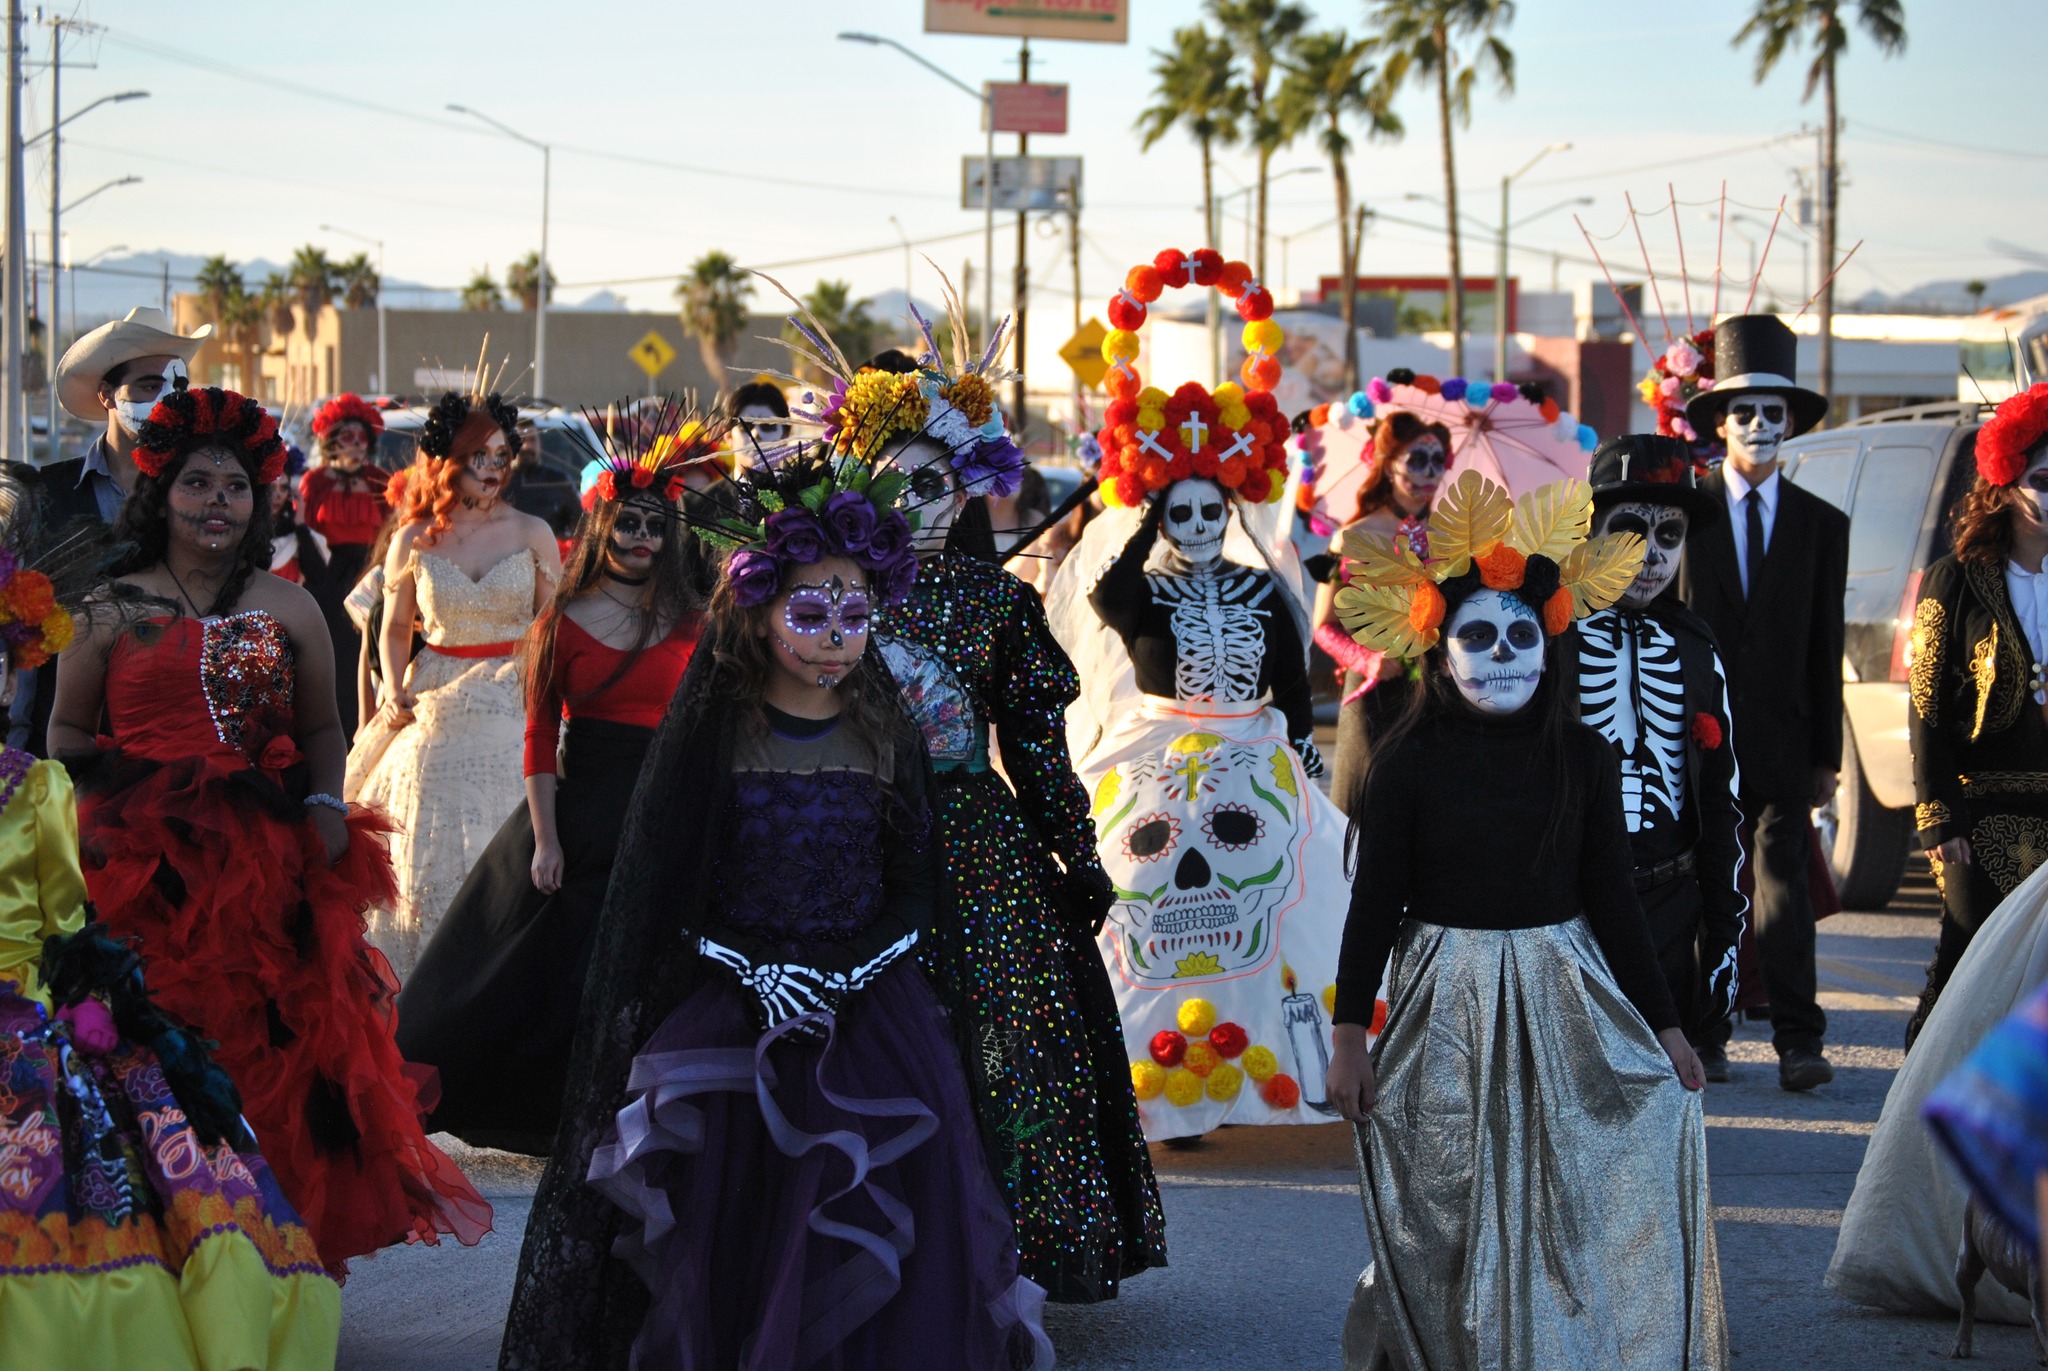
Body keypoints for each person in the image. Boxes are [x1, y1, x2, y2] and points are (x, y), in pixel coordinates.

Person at [498, 447, 1051, 1371]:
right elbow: (667, 891)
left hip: (874, 1021)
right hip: (732, 1021)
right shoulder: (717, 737)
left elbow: (917, 889)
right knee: (737, 1227)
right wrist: (762, 971)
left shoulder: (887, 734)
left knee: (877, 1230)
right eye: (810, 610)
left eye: (856, 614)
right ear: (757, 613)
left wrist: (844, 973)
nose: (836, 635)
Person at [48, 385, 491, 1273]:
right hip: (136, 873)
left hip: (266, 874)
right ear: (159, 494)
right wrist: (108, 799)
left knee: (273, 1064)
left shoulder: (289, 607)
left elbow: (325, 729)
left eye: (237, 486)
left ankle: (259, 1262)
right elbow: (61, 732)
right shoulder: (107, 608)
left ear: (261, 499)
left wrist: (326, 803)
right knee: (145, 1055)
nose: (218, 502)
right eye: (197, 484)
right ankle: (155, 1257)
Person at [1327, 470, 1726, 1370]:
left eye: (1519, 634)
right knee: (1446, 1198)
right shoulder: (1408, 762)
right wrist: (1350, 1032)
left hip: (1563, 993)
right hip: (1444, 1003)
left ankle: (1559, 1345)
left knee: (1564, 1194)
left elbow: (1614, 898)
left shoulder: (1581, 756)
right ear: (1440, 647)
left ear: (1549, 644)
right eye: (1477, 634)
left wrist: (1666, 1025)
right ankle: (1435, 1341)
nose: (1500, 652)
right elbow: (1373, 904)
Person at [817, 303, 1167, 1300]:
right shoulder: (828, 594)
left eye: (942, 485)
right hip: (851, 845)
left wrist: (1077, 852)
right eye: (901, 483)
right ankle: (868, 1255)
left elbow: (1039, 750)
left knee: (1006, 1047)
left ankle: (999, 1258)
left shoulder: (997, 603)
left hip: (976, 848)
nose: (922, 505)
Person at [394, 403, 715, 1154]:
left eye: (653, 526)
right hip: (581, 810)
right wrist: (543, 838)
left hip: (663, 807)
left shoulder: (693, 621)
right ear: (603, 527)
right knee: (524, 975)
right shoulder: (562, 620)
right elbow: (541, 735)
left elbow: (706, 727)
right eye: (628, 523)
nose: (640, 538)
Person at [1046, 362, 1350, 1140]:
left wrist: (1308, 772)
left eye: (1211, 509)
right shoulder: (1142, 591)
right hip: (1156, 754)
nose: (1199, 525)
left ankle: (1274, 1065)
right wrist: (1150, 509)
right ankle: (1156, 1074)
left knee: (1296, 889)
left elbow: (1288, 686)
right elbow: (1106, 593)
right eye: (1181, 512)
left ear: (1231, 508)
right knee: (1134, 884)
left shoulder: (1259, 593)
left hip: (1254, 748)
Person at [1679, 312, 1848, 1093]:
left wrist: (1826, 758)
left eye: (1773, 412)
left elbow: (1826, 640)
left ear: (1791, 424)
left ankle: (1798, 1040)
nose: (1759, 425)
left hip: (1783, 739)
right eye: (1743, 411)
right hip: (1700, 737)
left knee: (1783, 889)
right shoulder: (1684, 515)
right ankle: (1707, 1034)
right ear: (1720, 423)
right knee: (1709, 885)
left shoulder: (1822, 526)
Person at [345, 388, 561, 977]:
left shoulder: (533, 531)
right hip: (433, 682)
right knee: (418, 791)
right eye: (478, 457)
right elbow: (392, 631)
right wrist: (392, 687)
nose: (492, 471)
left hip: (515, 683)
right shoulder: (414, 539)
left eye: (501, 456)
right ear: (446, 460)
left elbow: (554, 628)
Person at [1565, 434, 1747, 1081]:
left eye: (1668, 535)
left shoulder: (1696, 644)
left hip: (1671, 901)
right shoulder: (1550, 633)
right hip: (1570, 907)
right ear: (1587, 533)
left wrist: (1725, 930)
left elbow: (1722, 797)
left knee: (1662, 1093)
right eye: (1628, 532)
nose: (1650, 556)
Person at [1904, 381, 2048, 1043]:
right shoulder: (1957, 581)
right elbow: (1927, 706)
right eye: (2044, 477)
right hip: (1982, 811)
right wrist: (1939, 814)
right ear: (2009, 484)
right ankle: (1918, 1107)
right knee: (1968, 964)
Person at [23, 306, 213, 756]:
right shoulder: (48, 493)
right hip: (63, 737)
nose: (168, 398)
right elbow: (23, 640)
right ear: (107, 395)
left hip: (174, 745)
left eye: (178, 386)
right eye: (150, 384)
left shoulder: (204, 493)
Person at [1310, 404, 1451, 809]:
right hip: (1374, 692)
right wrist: (1368, 659)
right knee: (1364, 814)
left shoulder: (1452, 537)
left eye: (1438, 461)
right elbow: (1323, 626)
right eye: (1418, 460)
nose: (1429, 472)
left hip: (1438, 694)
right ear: (1389, 466)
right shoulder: (1354, 536)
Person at [301, 393, 391, 734]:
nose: (356, 445)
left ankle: (368, 728)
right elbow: (304, 532)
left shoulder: (379, 479)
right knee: (334, 655)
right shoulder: (316, 481)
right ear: (331, 442)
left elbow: (392, 531)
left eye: (362, 438)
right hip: (328, 575)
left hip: (370, 574)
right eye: (347, 438)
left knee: (367, 655)